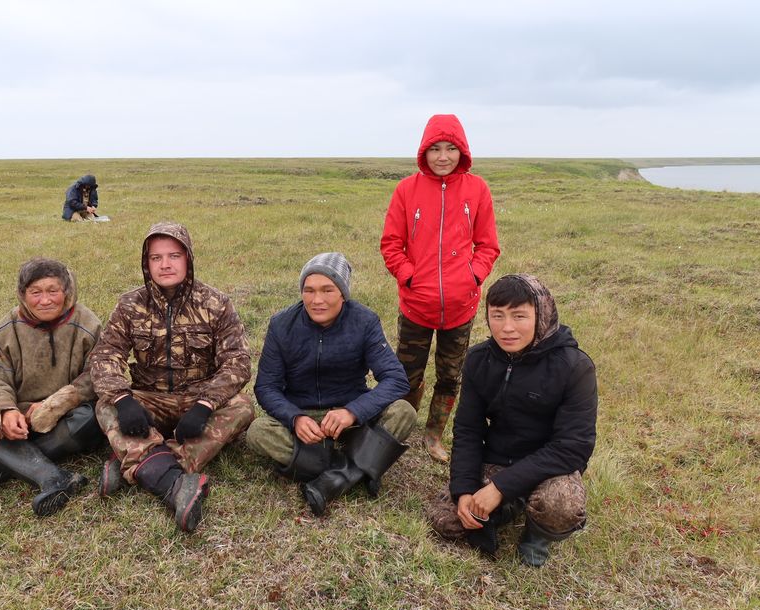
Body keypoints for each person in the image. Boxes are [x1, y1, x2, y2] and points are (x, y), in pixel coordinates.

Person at [89, 222, 254, 532]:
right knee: (105, 405)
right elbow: (104, 356)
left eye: (174, 256)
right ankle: (173, 480)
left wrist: (206, 404)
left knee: (243, 407)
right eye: (156, 258)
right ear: (146, 262)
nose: (165, 265)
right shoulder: (129, 304)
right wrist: (124, 400)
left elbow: (238, 361)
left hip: (197, 402)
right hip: (148, 402)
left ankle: (136, 462)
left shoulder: (216, 303)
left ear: (188, 258)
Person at [425, 274, 597, 567]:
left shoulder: (575, 367)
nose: (507, 328)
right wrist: (465, 490)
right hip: (497, 460)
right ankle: (505, 509)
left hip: (551, 468)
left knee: (561, 507)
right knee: (445, 521)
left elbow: (572, 447)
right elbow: (468, 430)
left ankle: (538, 533)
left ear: (541, 315)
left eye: (519, 316)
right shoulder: (480, 359)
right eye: (497, 316)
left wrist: (498, 488)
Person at [247, 253, 416, 517]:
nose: (317, 300)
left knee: (404, 411)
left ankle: (326, 472)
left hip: (351, 418)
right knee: (257, 431)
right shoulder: (281, 325)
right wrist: (295, 418)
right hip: (306, 421)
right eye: (309, 290)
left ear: (343, 293)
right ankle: (357, 465)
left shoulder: (364, 321)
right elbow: (266, 387)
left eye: (328, 290)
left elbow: (396, 379)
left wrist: (352, 412)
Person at [380, 114, 501, 464]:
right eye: (435, 149)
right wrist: (410, 277)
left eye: (450, 148)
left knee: (450, 376)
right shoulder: (406, 190)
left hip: (461, 307)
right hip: (417, 305)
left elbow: (488, 245)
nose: (443, 156)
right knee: (406, 375)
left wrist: (472, 278)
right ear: (424, 151)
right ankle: (399, 431)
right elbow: (391, 244)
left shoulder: (477, 190)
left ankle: (433, 435)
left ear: (461, 151)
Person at [0, 257, 104, 516]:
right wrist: (6, 411)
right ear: (22, 294)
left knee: (92, 418)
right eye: (35, 292)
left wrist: (56, 405)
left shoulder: (88, 323)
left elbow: (97, 374)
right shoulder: (5, 330)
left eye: (53, 291)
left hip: (66, 417)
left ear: (67, 292)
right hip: (21, 419)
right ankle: (54, 478)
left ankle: (1, 469)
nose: (45, 300)